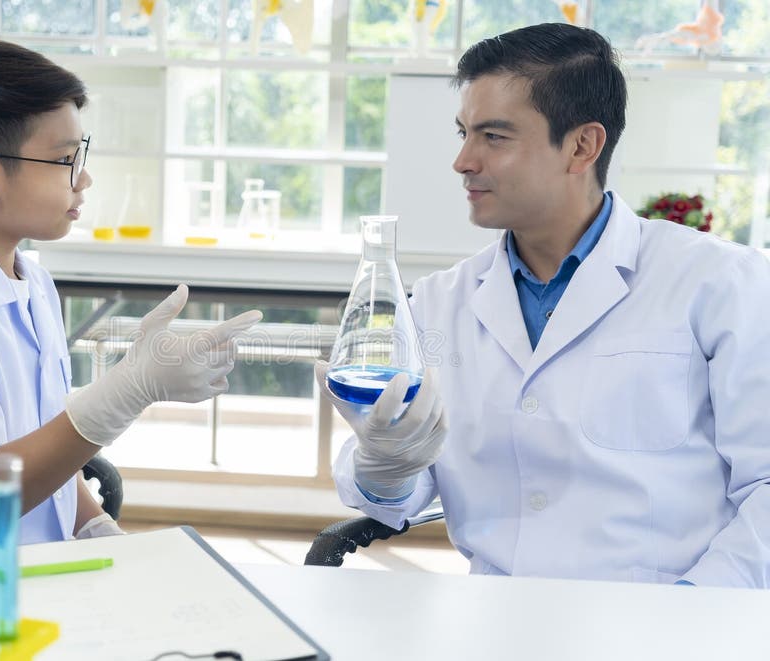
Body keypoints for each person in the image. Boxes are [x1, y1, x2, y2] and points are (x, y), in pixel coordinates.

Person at [318, 23, 770, 588]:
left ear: (582, 146)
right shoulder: (439, 302)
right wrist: (386, 462)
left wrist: (691, 611)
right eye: (464, 133)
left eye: (494, 137)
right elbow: (399, 501)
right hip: (494, 623)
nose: (463, 160)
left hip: (667, 625)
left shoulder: (721, 283)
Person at [0, 40, 262, 544]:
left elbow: (44, 444)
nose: (83, 178)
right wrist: (124, 392)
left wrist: (94, 525)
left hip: (40, 570)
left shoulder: (33, 282)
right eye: (65, 159)